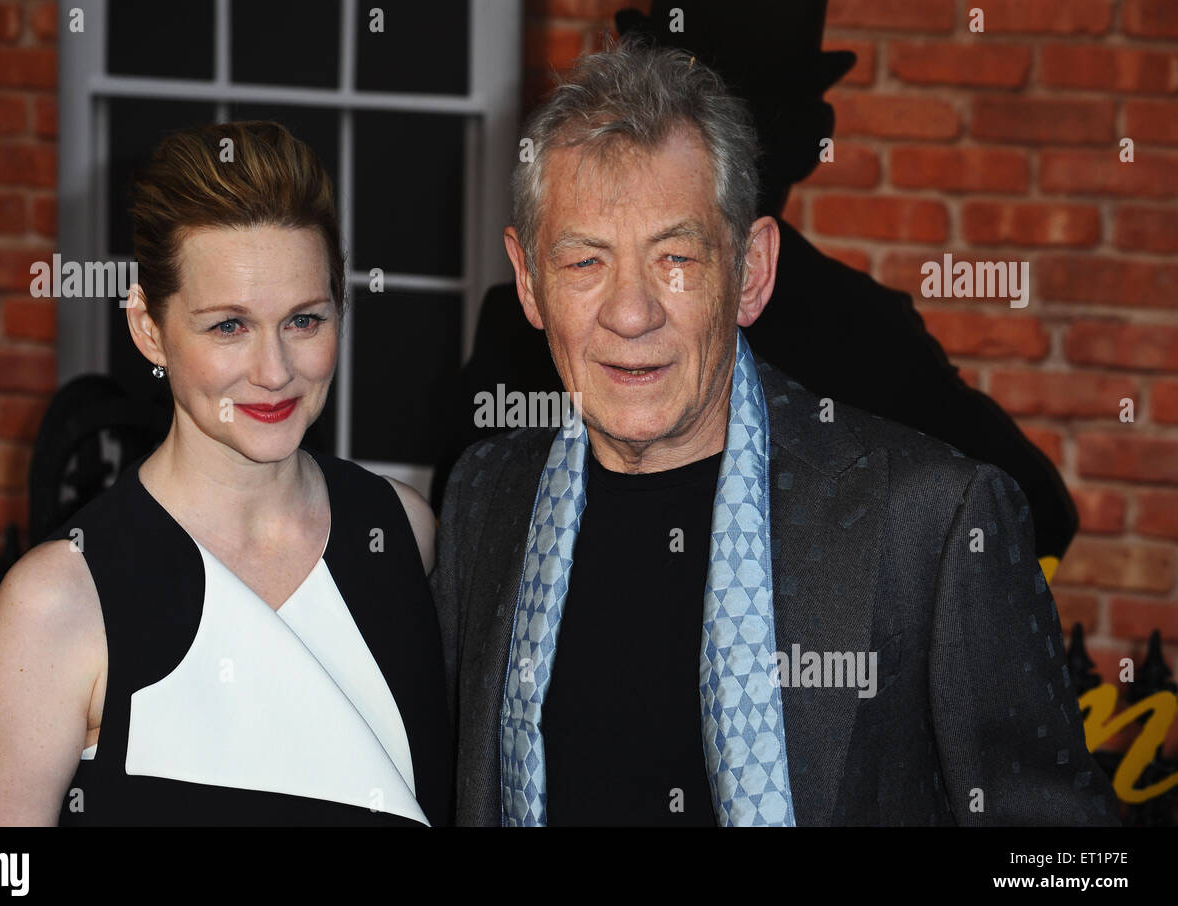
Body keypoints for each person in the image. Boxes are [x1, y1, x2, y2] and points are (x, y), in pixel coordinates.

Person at [431, 43, 1119, 826]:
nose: (631, 313)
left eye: (677, 258)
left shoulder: (932, 522)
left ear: (751, 272)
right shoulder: (486, 499)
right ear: (529, 281)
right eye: (585, 261)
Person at [430, 0, 1079, 584]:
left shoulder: (863, 333)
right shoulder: (527, 336)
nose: (631, 315)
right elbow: (464, 553)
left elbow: (1028, 509)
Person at [0, 121, 452, 826]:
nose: (275, 371)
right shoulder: (55, 605)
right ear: (148, 328)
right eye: (228, 327)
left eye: (304, 320)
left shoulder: (405, 532)